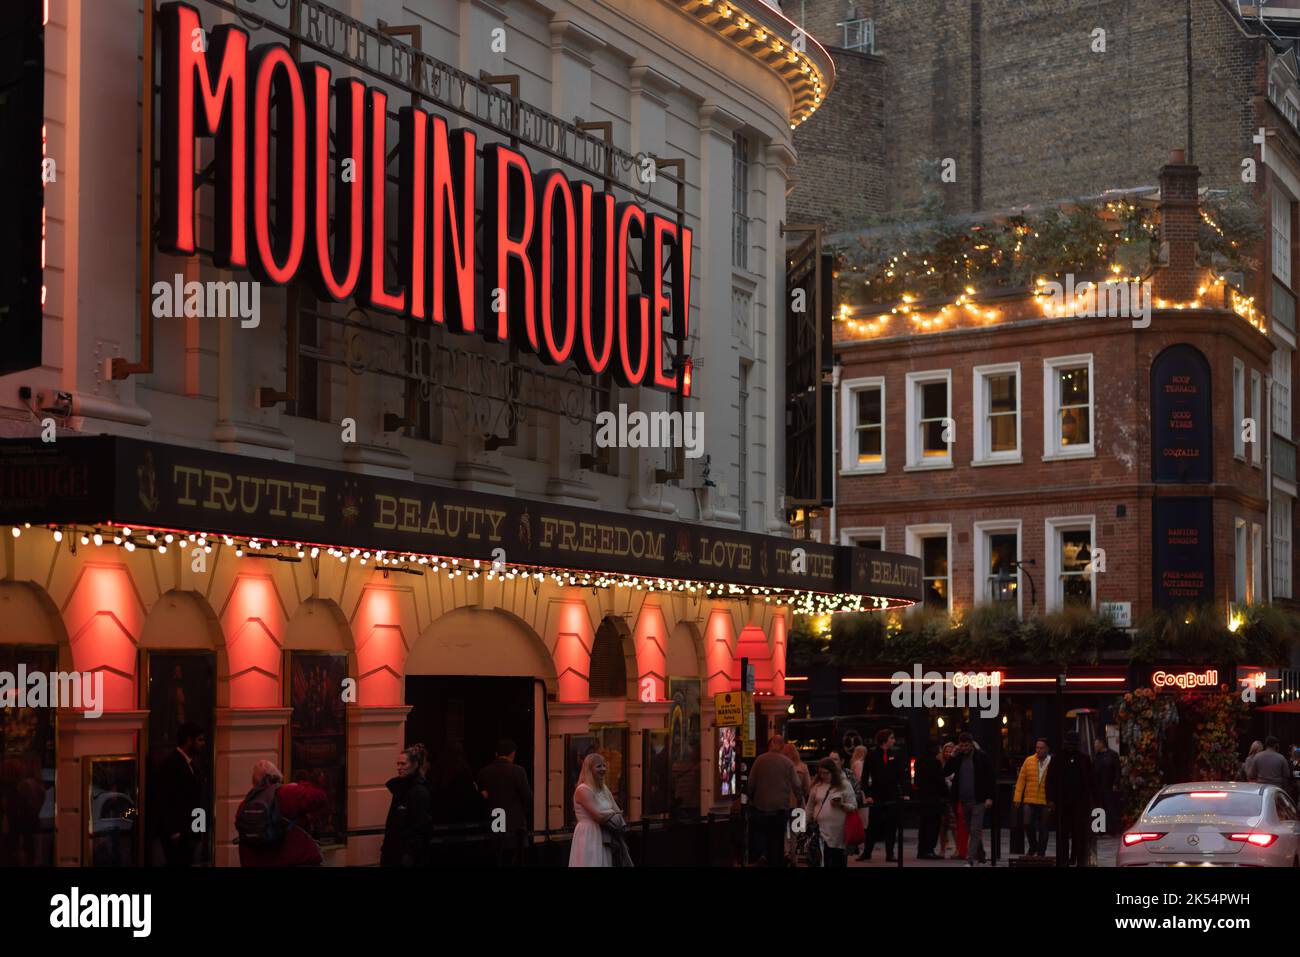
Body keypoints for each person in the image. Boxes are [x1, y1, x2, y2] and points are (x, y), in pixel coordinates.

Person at [235, 760, 328, 866]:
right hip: (293, 861)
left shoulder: (245, 804)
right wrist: (300, 784)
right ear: (277, 776)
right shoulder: (288, 792)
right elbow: (320, 797)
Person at [154, 722, 206, 867]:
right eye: (200, 740)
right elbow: (164, 799)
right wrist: (174, 831)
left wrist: (199, 830)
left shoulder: (191, 765)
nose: (203, 744)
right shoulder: (171, 764)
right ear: (189, 740)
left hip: (189, 833)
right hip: (179, 835)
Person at [477, 738, 534, 866]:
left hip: (493, 827)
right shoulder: (518, 771)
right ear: (512, 753)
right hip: (514, 831)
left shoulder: (484, 772)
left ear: (496, 754)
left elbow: (481, 798)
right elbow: (528, 798)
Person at [744, 735, 798, 867]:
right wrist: (800, 799)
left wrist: (750, 799)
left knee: (763, 836)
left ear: (770, 745)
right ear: (782, 746)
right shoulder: (788, 763)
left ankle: (764, 857)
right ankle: (776, 861)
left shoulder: (759, 761)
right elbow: (797, 785)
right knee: (778, 840)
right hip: (780, 809)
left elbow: (750, 784)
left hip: (761, 808)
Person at [569, 753, 630, 867]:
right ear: (589, 769)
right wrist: (612, 813)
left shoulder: (604, 788)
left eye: (604, 765)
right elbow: (598, 816)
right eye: (599, 766)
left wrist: (609, 813)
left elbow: (618, 812)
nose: (603, 769)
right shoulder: (582, 789)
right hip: (589, 834)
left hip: (605, 834)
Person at [1045, 730, 1095, 867]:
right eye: (1069, 744)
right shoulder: (1058, 759)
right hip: (1062, 804)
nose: (1071, 747)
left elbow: (1091, 781)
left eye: (1073, 744)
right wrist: (1050, 800)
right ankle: (1063, 862)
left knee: (1079, 835)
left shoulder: (1084, 759)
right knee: (1063, 835)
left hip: (1079, 804)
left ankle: (1080, 861)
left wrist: (1093, 801)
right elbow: (1050, 780)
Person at [943, 732, 993, 866]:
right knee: (971, 829)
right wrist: (952, 757)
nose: (964, 748)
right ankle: (981, 855)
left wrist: (989, 797)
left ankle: (970, 860)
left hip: (979, 800)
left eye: (966, 745)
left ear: (971, 744)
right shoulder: (958, 757)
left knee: (975, 830)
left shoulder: (981, 756)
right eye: (962, 745)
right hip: (964, 800)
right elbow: (946, 772)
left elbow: (989, 778)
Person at [381, 744, 433, 866]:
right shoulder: (400, 790)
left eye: (403, 764)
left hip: (406, 855)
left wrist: (409, 854)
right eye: (398, 764)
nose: (399, 767)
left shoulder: (419, 792)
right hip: (393, 853)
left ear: (415, 765)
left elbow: (420, 826)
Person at [861, 728, 905, 862]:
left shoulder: (896, 755)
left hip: (892, 794)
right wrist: (868, 794)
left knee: (891, 825)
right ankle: (867, 852)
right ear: (884, 740)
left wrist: (904, 792)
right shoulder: (872, 755)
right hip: (876, 794)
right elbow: (864, 777)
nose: (894, 741)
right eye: (891, 738)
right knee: (873, 825)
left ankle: (890, 854)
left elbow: (901, 776)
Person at [804, 757, 857, 867]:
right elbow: (809, 808)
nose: (823, 776)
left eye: (826, 773)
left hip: (839, 833)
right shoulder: (816, 786)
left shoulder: (844, 785)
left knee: (838, 861)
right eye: (821, 773)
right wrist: (802, 826)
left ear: (833, 771)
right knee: (822, 861)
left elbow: (854, 806)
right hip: (821, 832)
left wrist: (841, 805)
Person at [1013, 738, 1051, 856]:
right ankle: (1034, 846)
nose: (1038, 750)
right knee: (1027, 823)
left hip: (1045, 799)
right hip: (1030, 798)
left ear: (1047, 749)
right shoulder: (1029, 761)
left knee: (1044, 827)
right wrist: (1017, 797)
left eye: (1041, 748)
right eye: (1037, 748)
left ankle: (1041, 852)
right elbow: (1021, 780)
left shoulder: (1052, 762)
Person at [912, 743, 948, 860]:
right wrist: (946, 793)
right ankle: (929, 849)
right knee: (933, 825)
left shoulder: (919, 762)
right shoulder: (935, 763)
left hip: (922, 797)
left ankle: (921, 850)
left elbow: (916, 781)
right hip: (934, 798)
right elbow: (940, 781)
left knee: (923, 825)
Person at [782, 742, 812, 864]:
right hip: (798, 804)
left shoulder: (782, 767)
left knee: (784, 831)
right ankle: (794, 857)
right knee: (796, 832)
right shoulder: (803, 767)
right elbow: (808, 787)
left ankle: (786, 854)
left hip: (783, 803)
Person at [1091, 737, 1120, 835]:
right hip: (1098, 786)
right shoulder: (1096, 757)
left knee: (1110, 807)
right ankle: (1100, 829)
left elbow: (1117, 770)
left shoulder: (1112, 755)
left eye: (1096, 743)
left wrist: (1116, 783)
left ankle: (1112, 829)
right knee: (1099, 808)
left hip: (1109, 785)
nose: (1095, 746)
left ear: (1101, 744)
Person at [938, 741, 957, 858]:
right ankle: (942, 849)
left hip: (952, 797)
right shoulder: (939, 763)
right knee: (943, 825)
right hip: (943, 797)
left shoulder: (956, 763)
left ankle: (958, 849)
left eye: (951, 751)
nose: (948, 753)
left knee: (954, 825)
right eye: (946, 751)